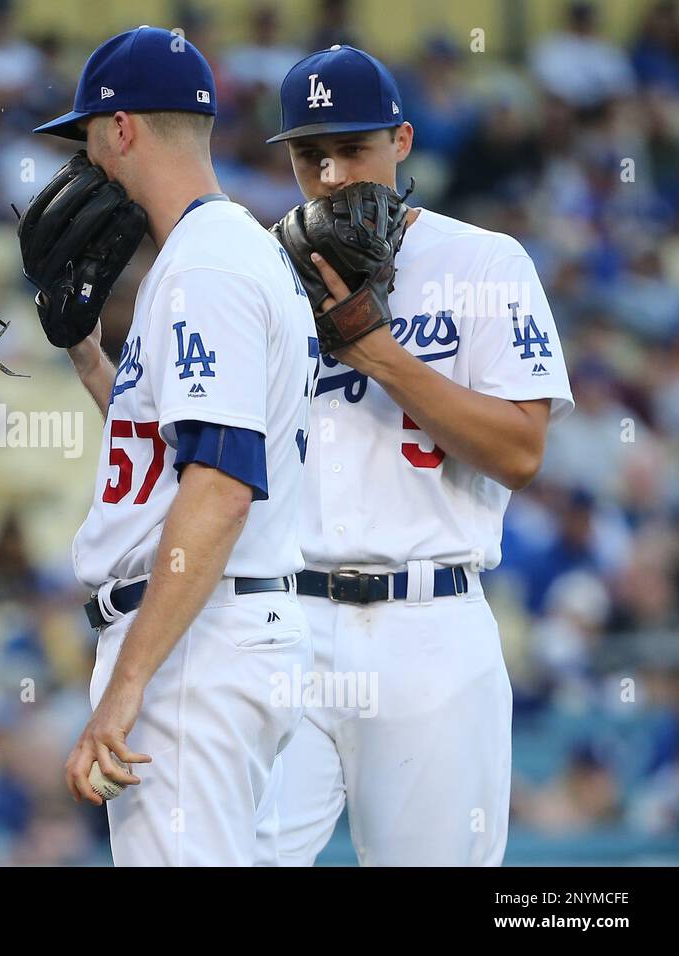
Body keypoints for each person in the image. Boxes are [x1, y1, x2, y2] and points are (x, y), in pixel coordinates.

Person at [264, 45, 574, 865]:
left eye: (353, 149)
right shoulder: (263, 271)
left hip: (428, 626)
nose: (330, 175)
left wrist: (380, 353)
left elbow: (520, 451)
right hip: (289, 625)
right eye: (308, 155)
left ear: (402, 141)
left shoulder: (484, 261)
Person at [26, 27, 318, 865]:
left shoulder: (208, 268)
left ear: (122, 128)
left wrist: (129, 684)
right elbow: (170, 449)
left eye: (86, 137)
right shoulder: (218, 253)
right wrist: (88, 355)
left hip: (196, 641)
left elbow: (222, 485)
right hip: (216, 633)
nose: (80, 166)